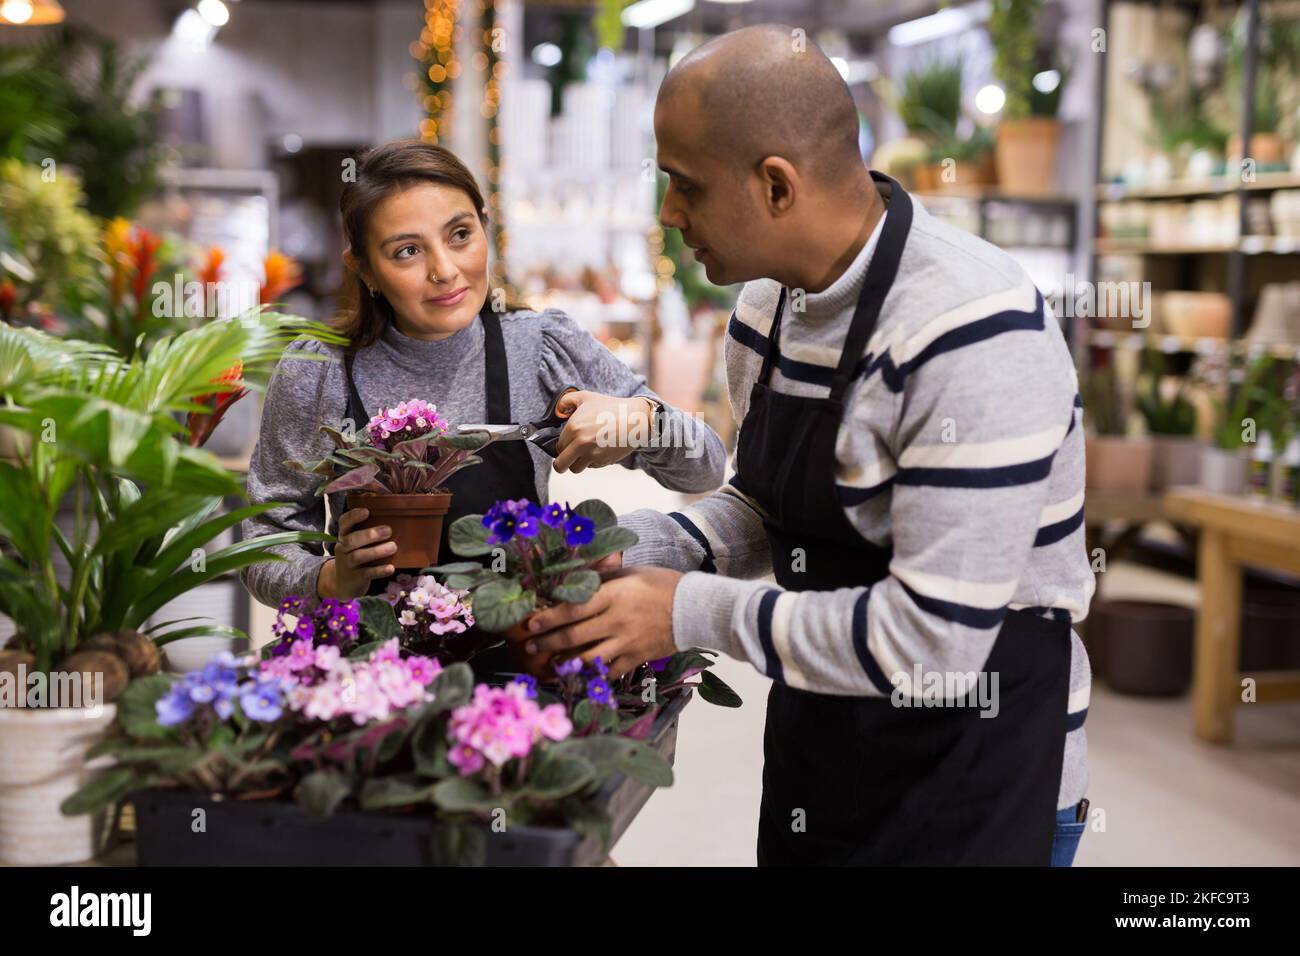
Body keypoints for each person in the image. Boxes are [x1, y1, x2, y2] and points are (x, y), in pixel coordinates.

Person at [523, 26, 1094, 866]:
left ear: (776, 186)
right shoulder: (768, 305)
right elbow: (764, 500)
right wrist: (637, 555)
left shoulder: (971, 332)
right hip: (828, 744)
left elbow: (934, 642)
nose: (668, 215)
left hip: (981, 767)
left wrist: (681, 610)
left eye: (684, 186)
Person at [240, 139, 725, 611]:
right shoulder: (320, 370)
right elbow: (265, 540)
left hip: (526, 658)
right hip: (380, 677)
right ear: (364, 269)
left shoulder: (538, 345)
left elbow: (704, 465)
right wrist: (327, 579)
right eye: (407, 251)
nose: (445, 270)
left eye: (460, 235)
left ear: (485, 228)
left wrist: (642, 419)